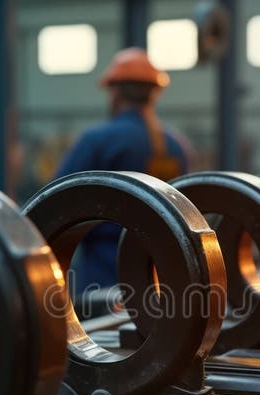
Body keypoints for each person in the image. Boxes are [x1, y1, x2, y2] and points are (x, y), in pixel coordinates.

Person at [54, 48, 189, 292]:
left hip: (103, 273)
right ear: (154, 94)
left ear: (115, 93)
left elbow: (55, 203)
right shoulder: (176, 146)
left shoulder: (97, 141)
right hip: (160, 277)